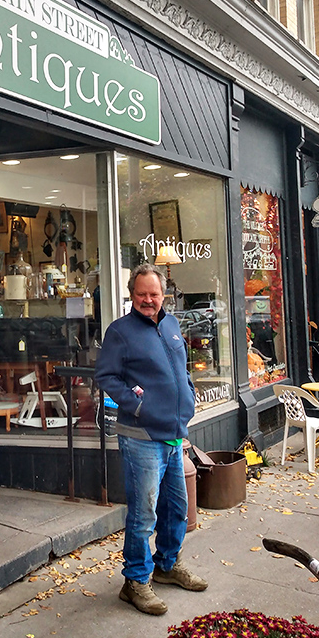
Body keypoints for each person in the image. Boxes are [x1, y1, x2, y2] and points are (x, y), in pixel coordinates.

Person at [95, 263, 208, 616]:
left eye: (154, 294)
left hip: (174, 435)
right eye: (142, 294)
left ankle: (167, 565)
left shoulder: (172, 325)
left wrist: (187, 396)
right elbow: (106, 376)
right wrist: (137, 404)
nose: (148, 300)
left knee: (176, 508)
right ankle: (135, 582)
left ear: (164, 295)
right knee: (143, 514)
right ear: (132, 295)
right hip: (141, 436)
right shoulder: (120, 332)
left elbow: (182, 370)